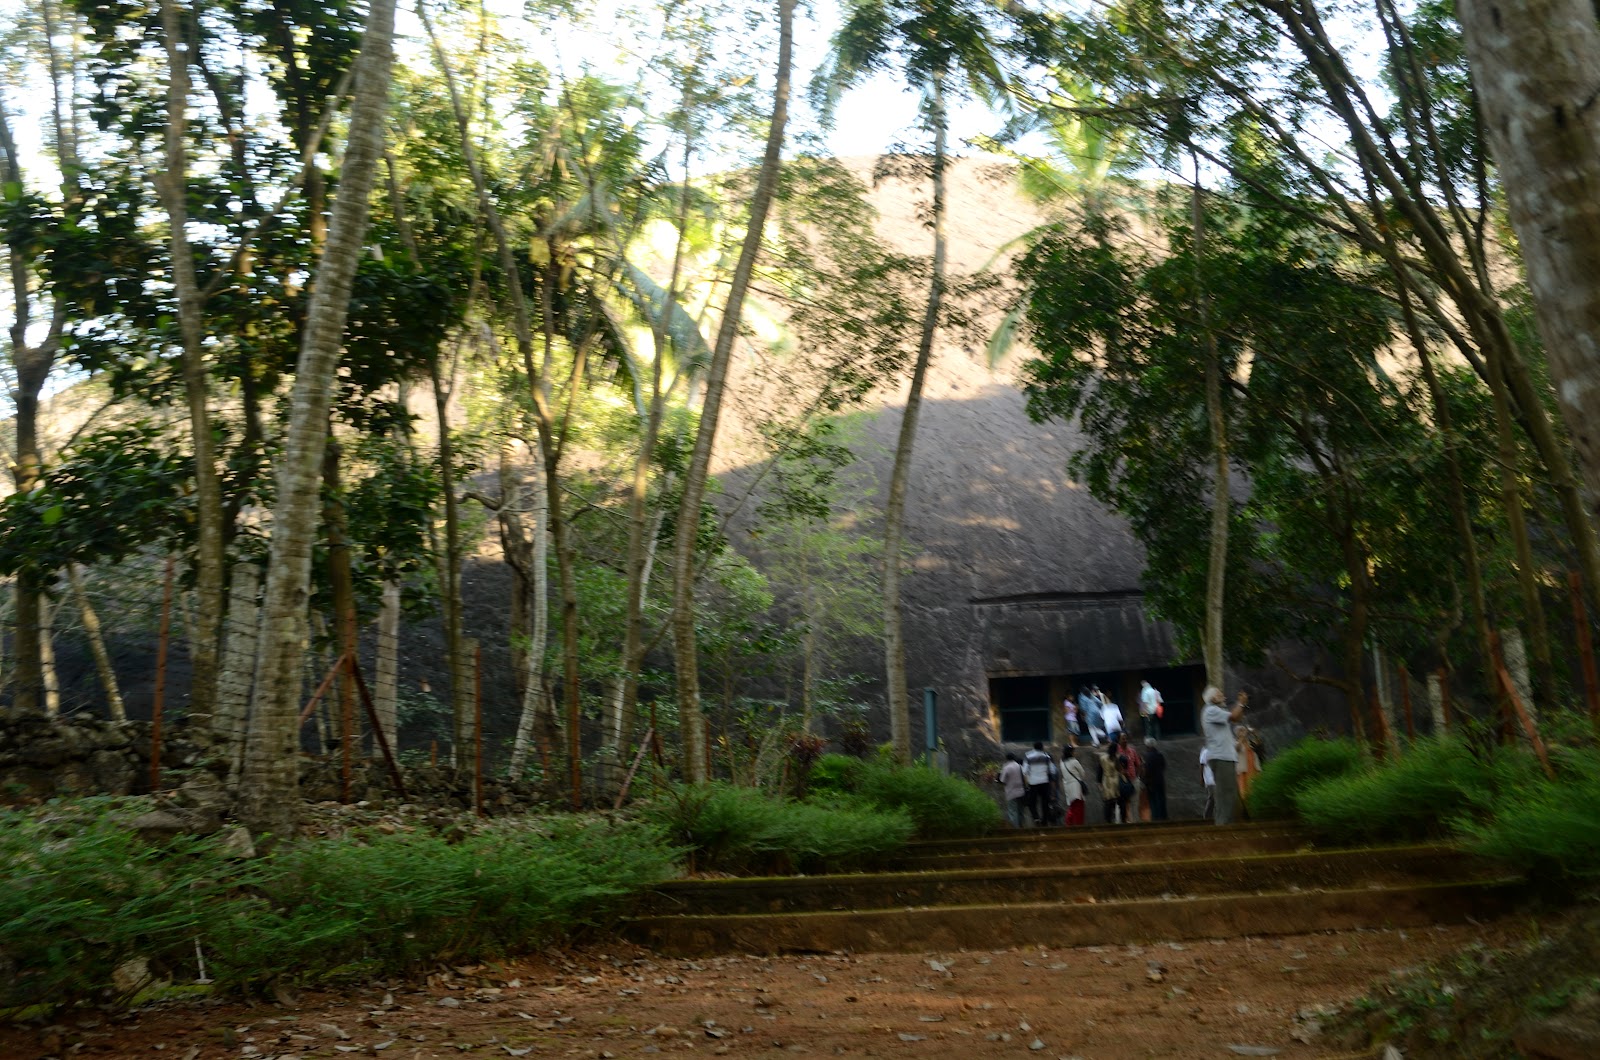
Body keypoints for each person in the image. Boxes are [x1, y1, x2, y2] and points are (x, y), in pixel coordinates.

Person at [1201, 686, 1248, 825]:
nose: (1223, 695)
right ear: (1212, 698)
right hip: (1221, 757)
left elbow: (1237, 718)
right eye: (1219, 694)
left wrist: (1242, 705)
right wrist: (1241, 703)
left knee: (1230, 793)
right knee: (1225, 793)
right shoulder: (1211, 710)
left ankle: (1230, 823)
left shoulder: (1217, 711)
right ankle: (1223, 825)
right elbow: (1233, 716)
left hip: (1225, 756)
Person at [1096, 736, 1129, 824]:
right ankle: (1123, 820)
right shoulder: (1119, 757)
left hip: (1107, 782)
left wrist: (1099, 782)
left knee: (1108, 802)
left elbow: (1100, 771)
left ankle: (1108, 821)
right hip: (1118, 781)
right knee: (1121, 802)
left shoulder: (1103, 758)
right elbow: (1124, 767)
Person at [1023, 741, 1055, 826]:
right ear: (1042, 747)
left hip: (1033, 783)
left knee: (1032, 802)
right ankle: (1044, 821)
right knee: (1045, 802)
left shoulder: (1028, 756)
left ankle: (1036, 817)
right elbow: (1052, 770)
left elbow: (1024, 771)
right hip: (1044, 782)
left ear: (1034, 747)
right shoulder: (1047, 757)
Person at [1059, 739, 1087, 826]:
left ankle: (1069, 824)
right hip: (1076, 787)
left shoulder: (1062, 762)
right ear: (1070, 752)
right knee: (1079, 807)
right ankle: (1078, 825)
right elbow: (1083, 774)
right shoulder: (1074, 761)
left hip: (1068, 787)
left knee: (1072, 807)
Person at [998, 752, 1026, 828]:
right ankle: (1021, 827)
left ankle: (1015, 828)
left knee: (1012, 811)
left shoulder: (1006, 767)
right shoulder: (1019, 766)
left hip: (1011, 792)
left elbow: (1002, 780)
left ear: (1006, 758)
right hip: (1021, 791)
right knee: (1020, 810)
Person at [1143, 737, 1168, 821]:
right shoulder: (1160, 755)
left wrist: (1145, 781)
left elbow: (1147, 770)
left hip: (1151, 782)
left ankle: (1155, 818)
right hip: (1160, 780)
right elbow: (1163, 766)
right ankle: (1163, 817)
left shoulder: (1147, 756)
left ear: (1148, 746)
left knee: (1153, 800)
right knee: (1161, 799)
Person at [1199, 746, 1216, 820]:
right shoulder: (1206, 751)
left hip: (1216, 779)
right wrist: (1202, 778)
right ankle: (1207, 816)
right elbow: (1202, 764)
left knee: (1215, 798)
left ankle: (1212, 815)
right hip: (1210, 779)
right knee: (1212, 797)